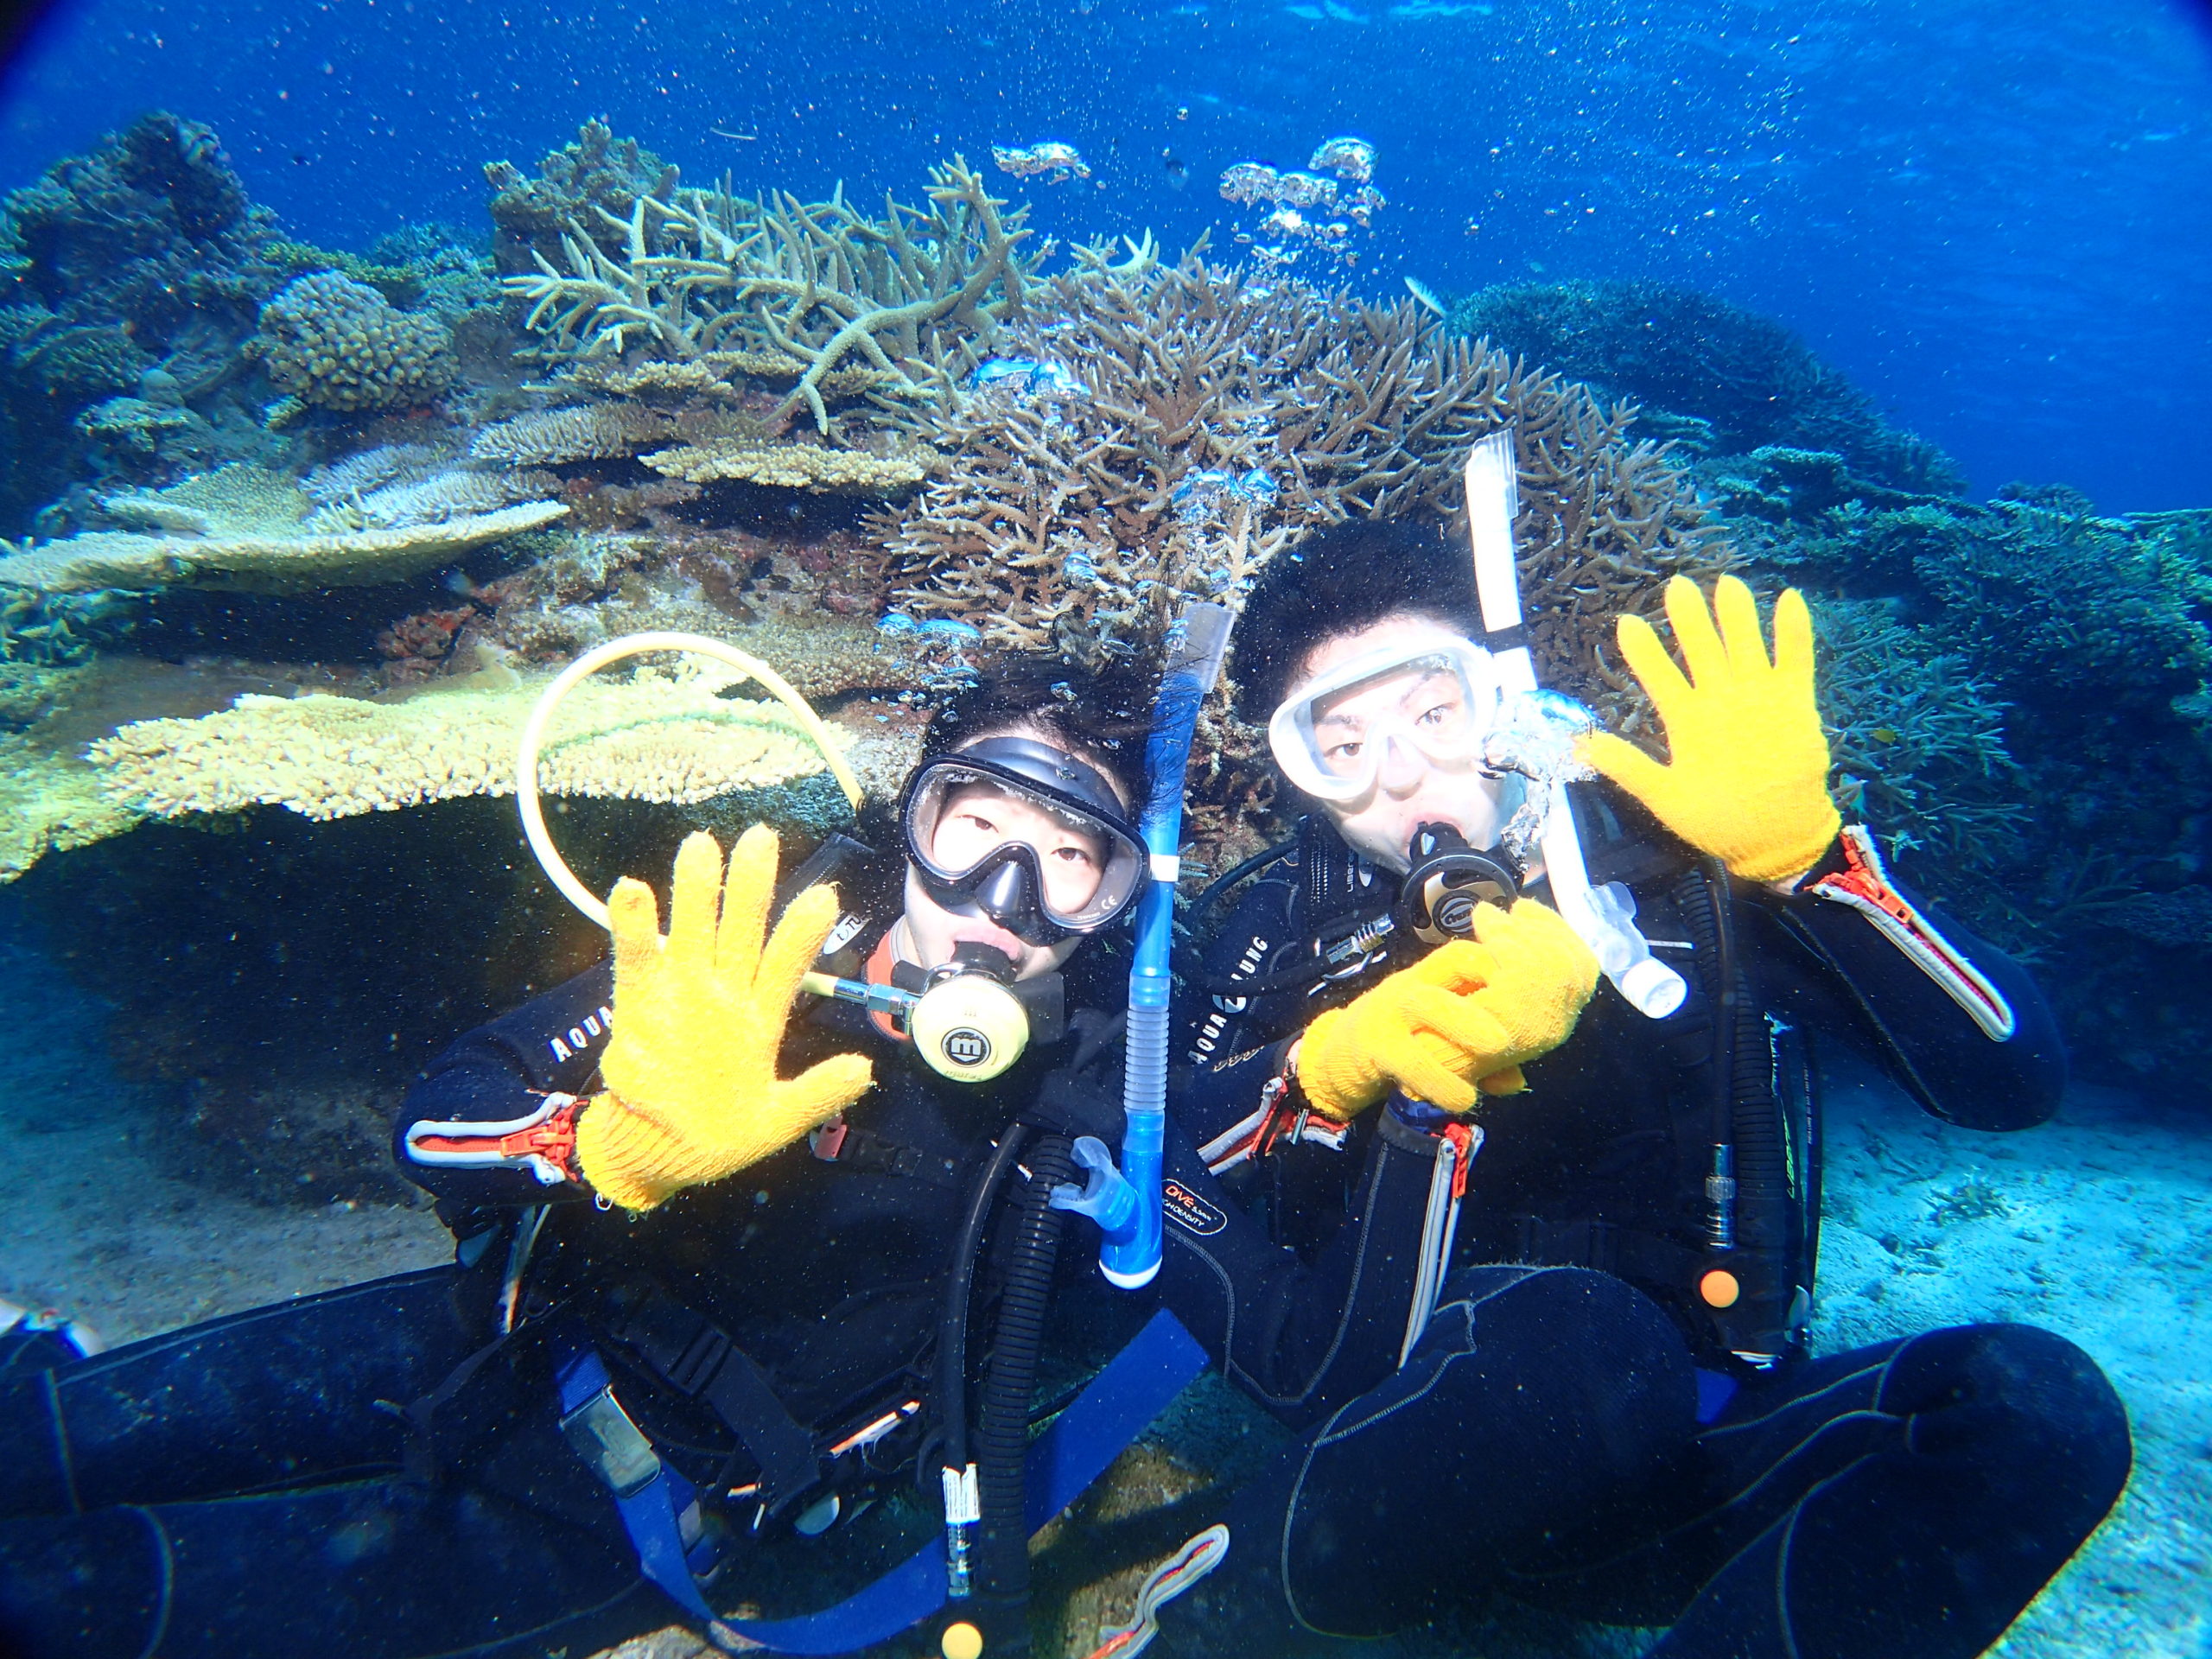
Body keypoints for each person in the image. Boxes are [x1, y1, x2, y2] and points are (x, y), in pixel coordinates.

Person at [1144, 518, 2131, 1656]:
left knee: (2039, 1411)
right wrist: (1317, 1068)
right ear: (1297, 777)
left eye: (1435, 708)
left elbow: (2012, 1083)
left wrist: (1818, 871)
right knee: (1588, 1342)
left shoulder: (1685, 868)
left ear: (1508, 696)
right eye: (1342, 743)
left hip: (1694, 1470)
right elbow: (1144, 1175)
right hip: (1405, 1471)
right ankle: (1188, 1627)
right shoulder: (1285, 931)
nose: (1403, 771)